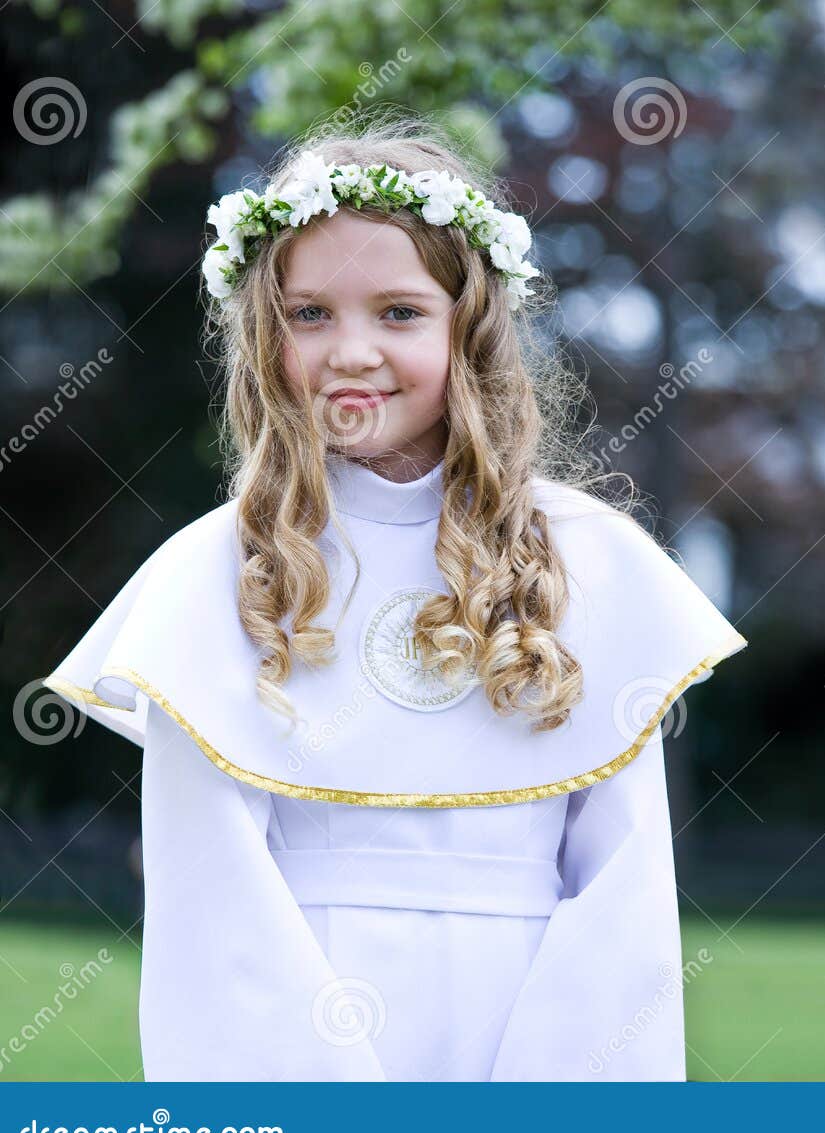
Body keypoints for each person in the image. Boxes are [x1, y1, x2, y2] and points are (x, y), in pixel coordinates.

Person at [40, 115, 748, 1081]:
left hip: (531, 1049)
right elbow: (213, 907)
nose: (352, 351)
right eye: (309, 314)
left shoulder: (587, 564)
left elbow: (620, 899)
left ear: (472, 330)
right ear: (264, 337)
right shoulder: (212, 577)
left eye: (400, 312)